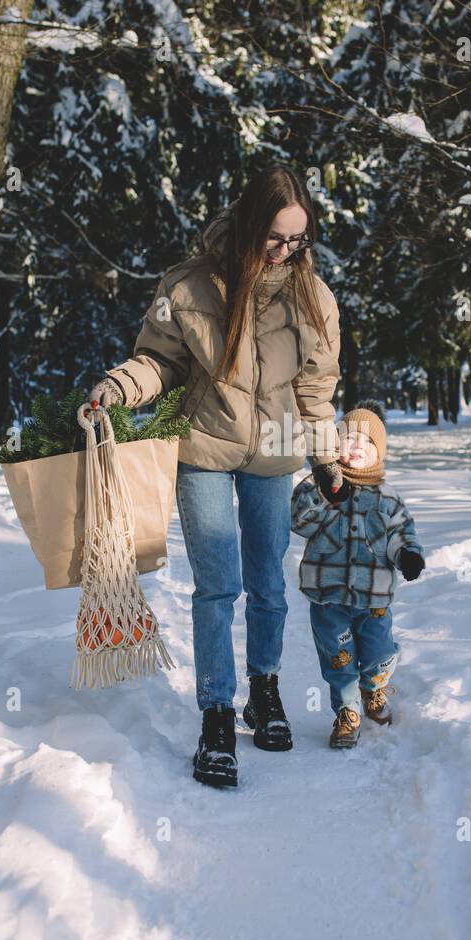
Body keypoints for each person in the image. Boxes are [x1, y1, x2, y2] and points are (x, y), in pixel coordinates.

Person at [89, 163, 343, 788]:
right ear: (251, 223)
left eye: (298, 240)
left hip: (276, 452)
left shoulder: (312, 296)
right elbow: (158, 360)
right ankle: (217, 715)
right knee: (217, 585)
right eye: (276, 238)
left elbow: (316, 386)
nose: (286, 252)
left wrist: (327, 456)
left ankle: (264, 690)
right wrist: (122, 386)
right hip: (203, 446)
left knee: (268, 584)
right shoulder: (189, 285)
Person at [290, 400, 425, 749]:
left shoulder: (388, 499)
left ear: (379, 452)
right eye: (349, 438)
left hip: (374, 598)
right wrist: (325, 491)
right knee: (339, 658)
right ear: (336, 443)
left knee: (380, 652)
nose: (356, 447)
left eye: (367, 442)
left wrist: (408, 555)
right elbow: (299, 521)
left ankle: (374, 689)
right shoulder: (319, 485)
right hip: (328, 596)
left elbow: (401, 533)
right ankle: (347, 710)